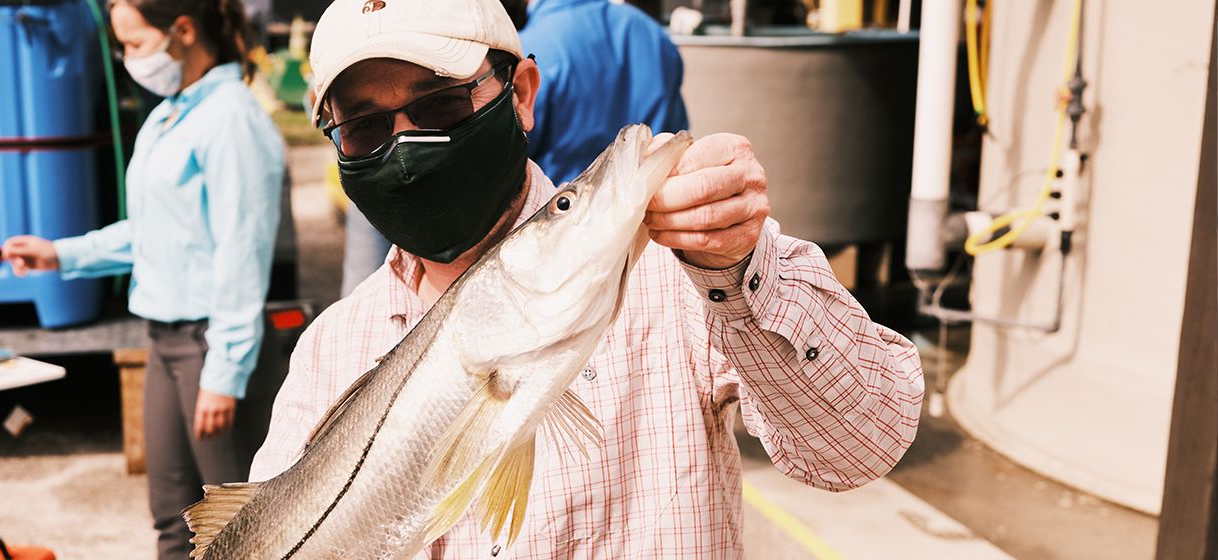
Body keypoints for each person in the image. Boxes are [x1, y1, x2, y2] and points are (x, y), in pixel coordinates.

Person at [249, 0, 923, 556]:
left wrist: (741, 269)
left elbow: (862, 447)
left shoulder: (683, 278)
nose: (406, 147)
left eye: (441, 106)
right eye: (365, 128)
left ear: (520, 95)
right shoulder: (329, 347)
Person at [0, 0, 284, 556]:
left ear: (182, 31)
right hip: (163, 341)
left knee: (236, 527)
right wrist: (62, 255)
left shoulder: (231, 118)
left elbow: (241, 250)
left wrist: (224, 371)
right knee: (173, 515)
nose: (127, 58)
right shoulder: (169, 113)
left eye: (133, 44)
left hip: (211, 343)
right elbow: (156, 230)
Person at [516, 0, 691, 186]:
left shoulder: (530, 51)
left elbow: (515, 159)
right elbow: (676, 138)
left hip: (568, 207)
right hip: (651, 199)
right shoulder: (653, 34)